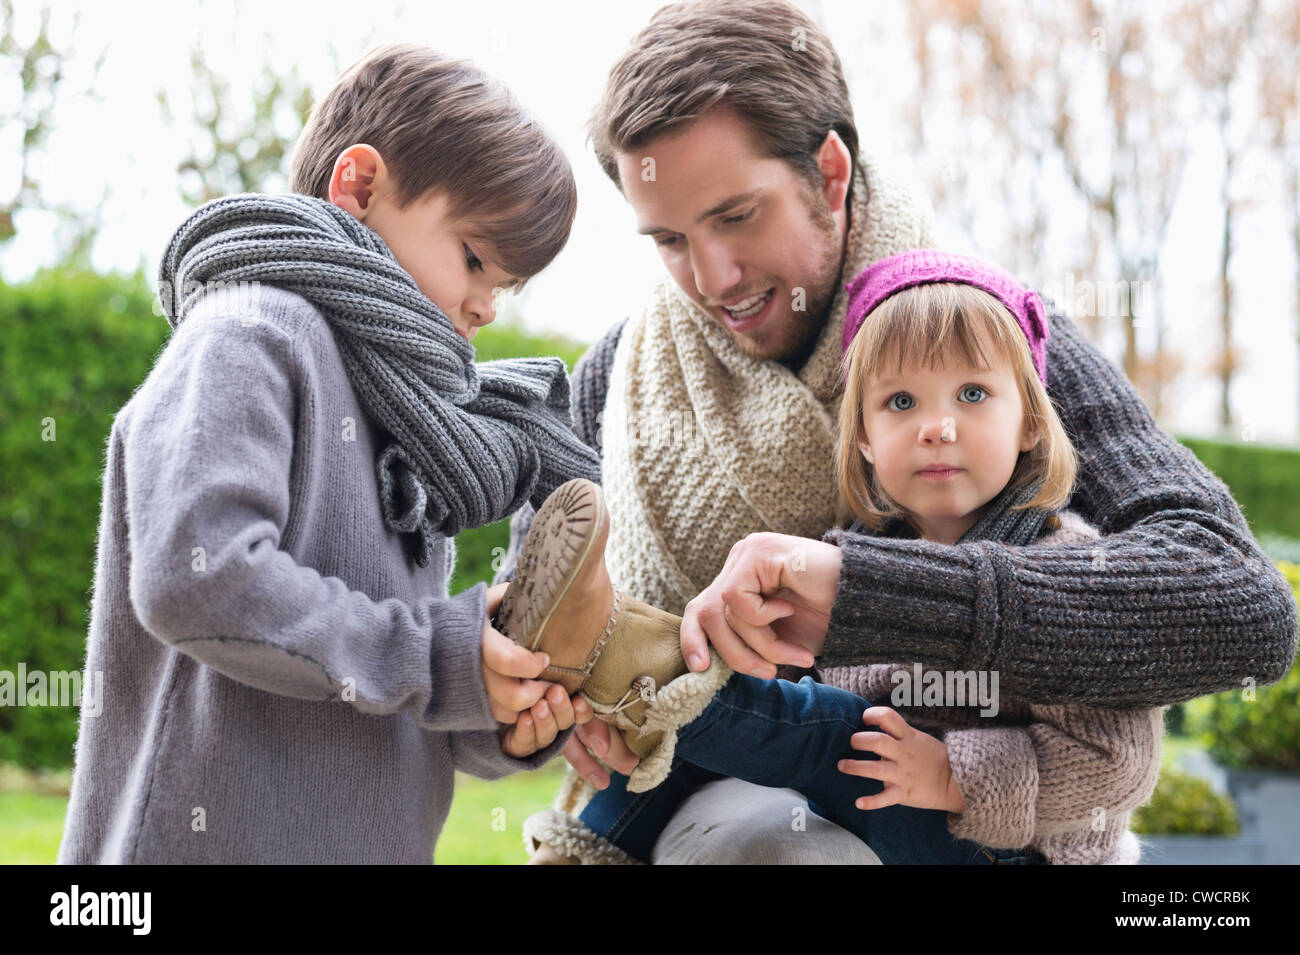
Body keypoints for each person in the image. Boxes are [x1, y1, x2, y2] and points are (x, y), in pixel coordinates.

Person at [496, 0, 1298, 865]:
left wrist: (868, 589)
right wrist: (554, 712)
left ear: (830, 173)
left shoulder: (990, 341)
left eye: (737, 217)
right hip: (691, 791)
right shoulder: (614, 381)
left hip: (971, 810)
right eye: (669, 239)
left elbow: (1241, 608)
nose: (713, 277)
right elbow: (529, 627)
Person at [57, 44, 597, 864]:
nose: (486, 304)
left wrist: (500, 708)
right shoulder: (250, 334)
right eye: (476, 258)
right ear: (360, 186)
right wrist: (433, 654)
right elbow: (197, 578)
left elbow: (398, 693)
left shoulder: (409, 419)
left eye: (508, 286)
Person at [512, 251, 1163, 865]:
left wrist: (953, 774)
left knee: (846, 737)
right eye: (901, 402)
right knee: (711, 724)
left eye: (972, 394)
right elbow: (798, 687)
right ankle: (582, 838)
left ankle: (623, 657)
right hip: (883, 803)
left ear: (1029, 422)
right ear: (868, 443)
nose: (937, 426)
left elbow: (1117, 760)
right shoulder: (850, 558)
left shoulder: (1071, 565)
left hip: (1011, 843)